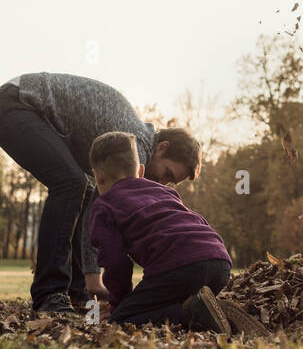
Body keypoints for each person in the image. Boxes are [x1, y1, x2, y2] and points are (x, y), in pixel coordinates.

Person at [0, 72, 200, 314]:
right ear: (162, 147)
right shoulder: (134, 147)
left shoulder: (136, 141)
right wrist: (94, 276)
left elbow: (93, 203)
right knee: (71, 184)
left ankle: (75, 293)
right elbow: (104, 211)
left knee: (81, 188)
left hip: (25, 107)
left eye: (170, 184)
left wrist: (90, 282)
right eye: (167, 174)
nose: (162, 183)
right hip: (14, 103)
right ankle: (49, 293)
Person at [87, 131, 230, 332]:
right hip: (220, 262)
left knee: (121, 321)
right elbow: (194, 220)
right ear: (141, 171)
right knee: (170, 295)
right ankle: (211, 309)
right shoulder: (166, 192)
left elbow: (115, 262)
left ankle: (189, 314)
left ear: (98, 176)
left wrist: (120, 306)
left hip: (180, 266)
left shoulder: (104, 207)